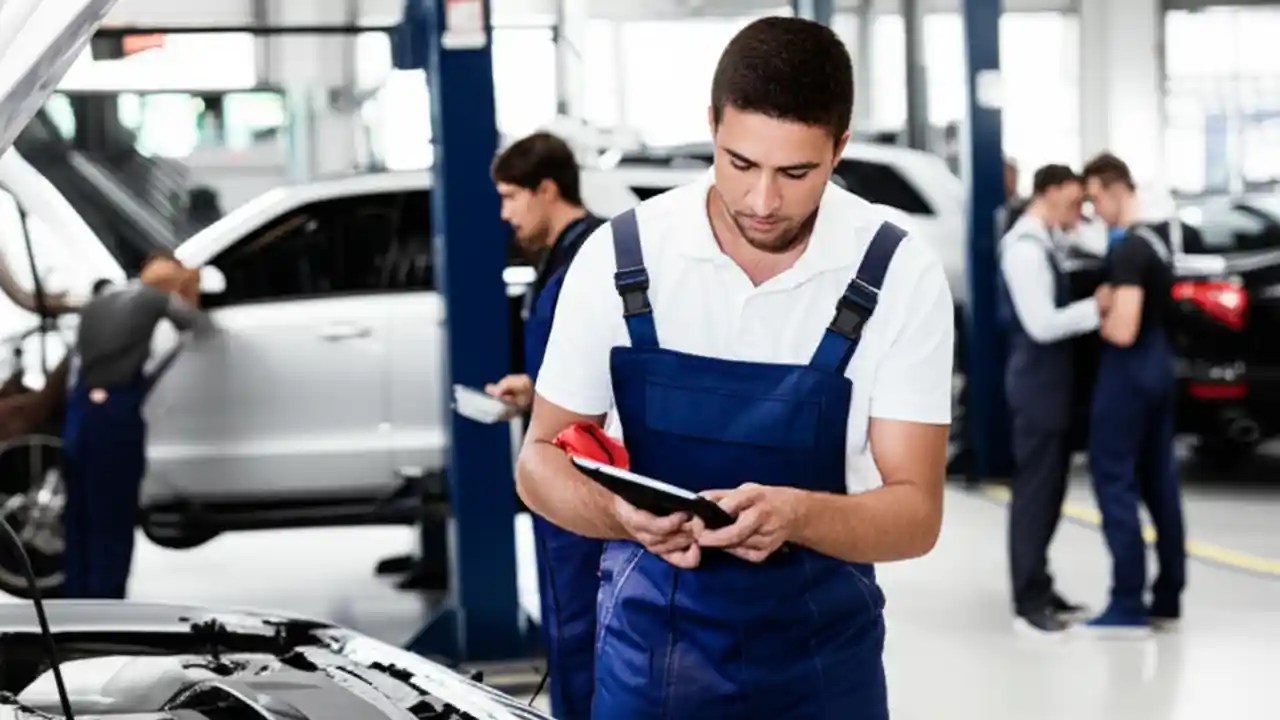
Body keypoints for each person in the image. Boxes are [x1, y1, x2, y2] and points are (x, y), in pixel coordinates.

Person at [516, 17, 953, 719]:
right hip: (646, 664)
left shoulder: (898, 273)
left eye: (796, 172)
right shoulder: (622, 256)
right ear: (711, 125)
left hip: (821, 670)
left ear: (840, 147)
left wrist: (798, 514)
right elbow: (538, 461)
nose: (762, 201)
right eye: (740, 163)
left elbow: (916, 512)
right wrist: (622, 517)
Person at [483, 131, 605, 720]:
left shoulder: (594, 259)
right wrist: (533, 391)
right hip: (559, 465)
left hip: (585, 476)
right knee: (572, 621)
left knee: (582, 626)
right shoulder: (561, 258)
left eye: (511, 197)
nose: (506, 214)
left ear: (547, 188)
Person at [996, 164, 1110, 635]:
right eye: (1074, 198)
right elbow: (1041, 323)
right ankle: (1029, 599)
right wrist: (1095, 308)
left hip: (1052, 387)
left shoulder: (1048, 238)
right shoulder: (1025, 250)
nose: (1079, 208)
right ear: (1052, 190)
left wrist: (1082, 222)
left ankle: (1041, 584)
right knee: (1035, 494)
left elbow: (1101, 242)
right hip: (1037, 387)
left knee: (1051, 491)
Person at [1080, 153, 1187, 635]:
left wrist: (1098, 309)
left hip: (1128, 374)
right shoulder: (1159, 241)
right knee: (1160, 484)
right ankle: (1166, 596)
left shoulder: (1128, 251)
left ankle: (1126, 602)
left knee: (1115, 483)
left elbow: (1123, 329)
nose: (1093, 207)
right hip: (1160, 369)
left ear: (1115, 187)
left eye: (1095, 197)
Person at [62, 254, 209, 599]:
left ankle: (76, 602)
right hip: (115, 412)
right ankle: (107, 605)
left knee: (80, 515)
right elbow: (195, 325)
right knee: (113, 514)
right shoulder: (156, 299)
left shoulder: (99, 301)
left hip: (80, 412)